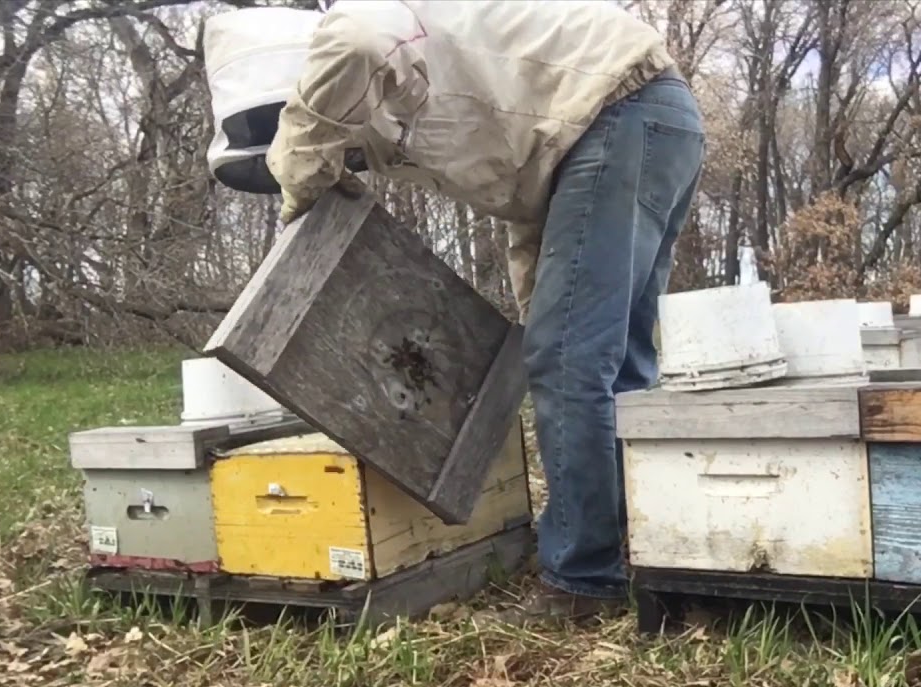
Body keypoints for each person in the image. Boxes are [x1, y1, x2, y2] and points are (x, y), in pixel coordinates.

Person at [266, 0, 705, 622]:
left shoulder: (358, 19)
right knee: (617, 358)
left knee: (575, 359)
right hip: (653, 117)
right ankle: (634, 542)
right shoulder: (472, 65)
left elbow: (357, 39)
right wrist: (543, 324)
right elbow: (537, 208)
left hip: (619, 114)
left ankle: (582, 580)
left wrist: (299, 174)